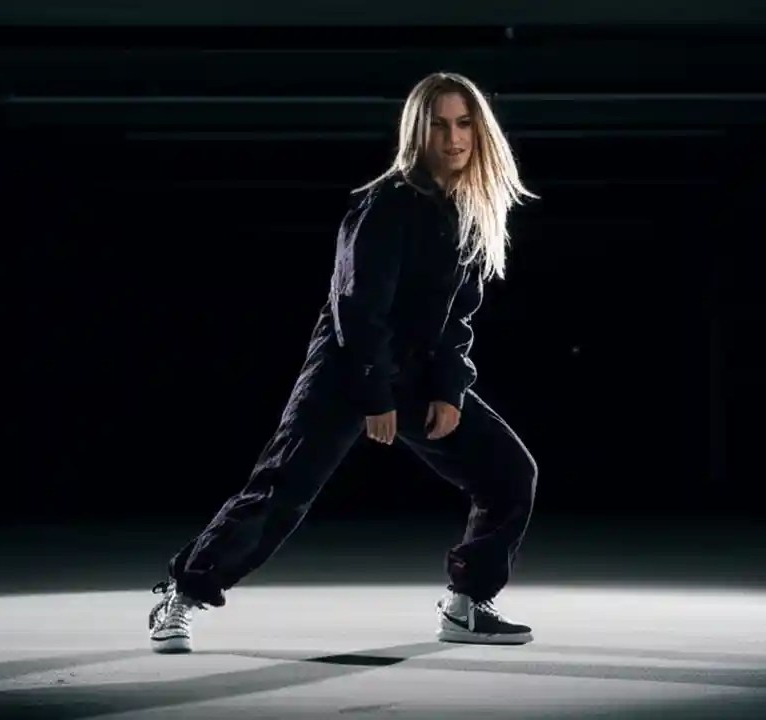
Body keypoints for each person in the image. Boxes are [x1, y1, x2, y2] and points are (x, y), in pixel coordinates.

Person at [148, 71, 540, 653]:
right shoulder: (385, 202)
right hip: (346, 370)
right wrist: (374, 394)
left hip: (416, 374)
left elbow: (459, 318)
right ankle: (182, 593)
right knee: (282, 492)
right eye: (438, 124)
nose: (453, 138)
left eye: (464, 124)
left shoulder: (469, 208)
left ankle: (466, 603)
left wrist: (449, 391)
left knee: (509, 473)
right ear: (417, 131)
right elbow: (357, 307)